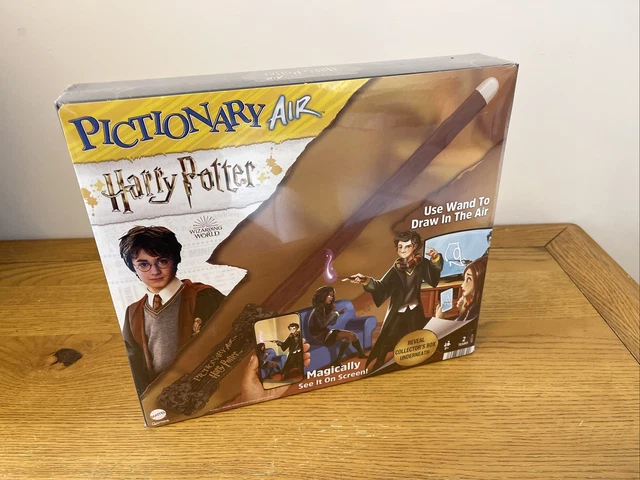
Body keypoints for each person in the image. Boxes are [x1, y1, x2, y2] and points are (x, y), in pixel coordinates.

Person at [119, 225, 225, 395]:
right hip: (159, 396)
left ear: (175, 260)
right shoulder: (132, 313)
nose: (155, 271)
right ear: (133, 267)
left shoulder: (205, 297)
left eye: (162, 261)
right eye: (144, 264)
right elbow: (134, 366)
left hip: (206, 390)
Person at [345, 230, 443, 371]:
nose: (402, 250)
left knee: (417, 335)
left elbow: (433, 278)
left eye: (407, 246)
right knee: (388, 336)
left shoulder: (421, 264)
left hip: (415, 309)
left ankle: (414, 358)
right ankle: (380, 362)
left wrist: (435, 259)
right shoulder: (396, 269)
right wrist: (366, 280)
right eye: (400, 246)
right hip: (398, 310)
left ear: (415, 247)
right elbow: (382, 286)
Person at [308, 286, 367, 366]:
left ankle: (361, 354)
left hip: (325, 332)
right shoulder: (319, 308)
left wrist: (335, 312)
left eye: (332, 295)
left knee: (354, 335)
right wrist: (335, 313)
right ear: (323, 295)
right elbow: (323, 324)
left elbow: (331, 323)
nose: (331, 297)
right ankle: (337, 361)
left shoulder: (323, 307)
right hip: (319, 336)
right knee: (349, 336)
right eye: (329, 295)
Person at [436, 255, 487, 323]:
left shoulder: (476, 308)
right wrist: (463, 311)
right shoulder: (475, 305)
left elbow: (460, 328)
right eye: (464, 279)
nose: (462, 285)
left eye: (469, 279)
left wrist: (439, 319)